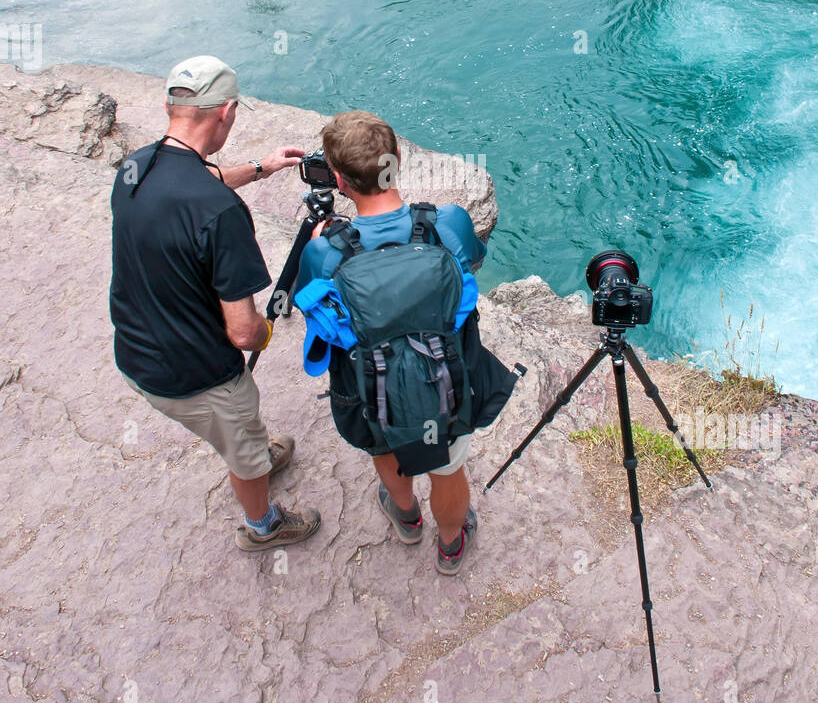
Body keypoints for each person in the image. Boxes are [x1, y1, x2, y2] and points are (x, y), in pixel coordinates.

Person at [109, 55, 321, 553]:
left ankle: (252, 446)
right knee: (242, 445)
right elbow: (245, 333)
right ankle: (263, 524)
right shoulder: (221, 214)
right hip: (194, 374)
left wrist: (262, 168)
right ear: (226, 113)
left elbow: (192, 192)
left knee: (242, 422)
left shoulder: (136, 166)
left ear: (171, 105)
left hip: (136, 350)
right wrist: (274, 333)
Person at [296, 110, 515, 575]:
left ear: (337, 179)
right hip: (445, 384)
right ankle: (452, 545)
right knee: (448, 468)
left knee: (386, 448)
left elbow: (311, 310)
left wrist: (322, 240)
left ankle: (408, 519)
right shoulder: (448, 223)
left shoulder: (323, 250)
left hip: (370, 390)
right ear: (397, 160)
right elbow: (474, 258)